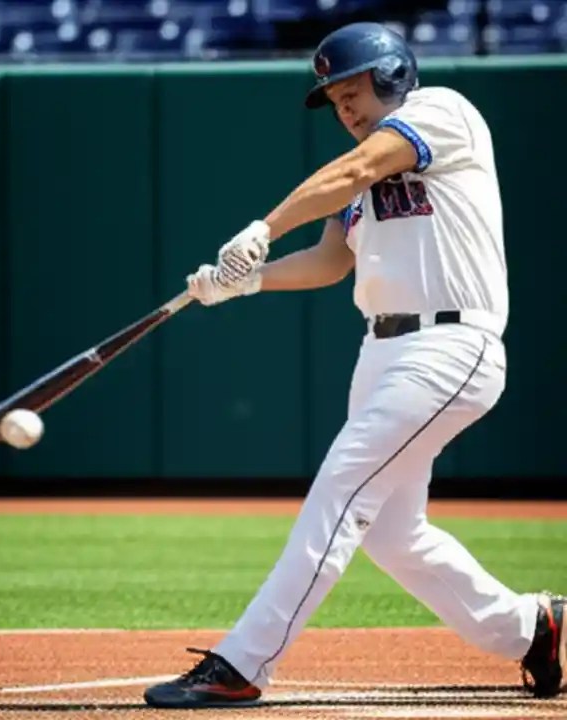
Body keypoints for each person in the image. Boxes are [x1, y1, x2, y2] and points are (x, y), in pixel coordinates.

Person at [143, 22, 563, 708]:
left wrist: (260, 227)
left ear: (394, 74)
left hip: (451, 344)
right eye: (334, 98)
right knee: (396, 534)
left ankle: (245, 661)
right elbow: (329, 263)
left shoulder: (440, 112)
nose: (345, 107)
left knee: (339, 490)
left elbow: (355, 170)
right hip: (383, 351)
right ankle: (529, 628)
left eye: (353, 89)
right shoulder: (366, 176)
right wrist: (242, 281)